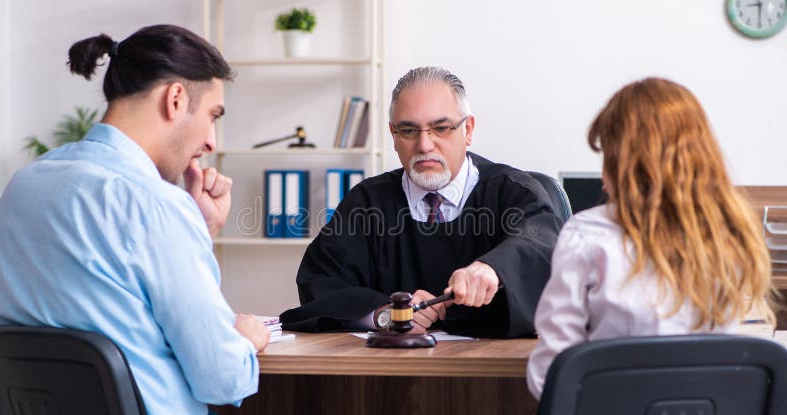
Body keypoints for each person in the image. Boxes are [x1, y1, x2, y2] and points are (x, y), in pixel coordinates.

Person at [0, 25, 271, 414]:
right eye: (212, 116)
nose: (210, 142)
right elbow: (221, 379)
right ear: (174, 99)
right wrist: (243, 341)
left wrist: (198, 231)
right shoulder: (155, 205)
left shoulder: (24, 186)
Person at [526, 77, 777, 399]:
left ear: (630, 161)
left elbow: (549, 376)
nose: (603, 177)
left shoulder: (586, 235)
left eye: (609, 157)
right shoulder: (733, 235)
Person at [279, 66, 563, 338]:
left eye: (441, 128)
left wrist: (494, 268)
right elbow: (321, 282)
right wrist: (386, 314)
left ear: (468, 130)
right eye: (409, 130)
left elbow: (542, 241)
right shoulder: (367, 203)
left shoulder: (513, 191)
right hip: (384, 375)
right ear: (393, 135)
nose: (425, 145)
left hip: (493, 373)